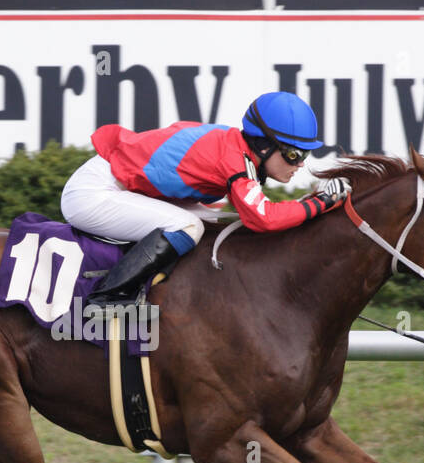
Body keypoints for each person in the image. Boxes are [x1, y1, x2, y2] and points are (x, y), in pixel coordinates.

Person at [61, 91, 352, 307]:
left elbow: (256, 217)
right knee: (189, 227)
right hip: (94, 192)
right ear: (263, 146)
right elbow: (265, 218)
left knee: (217, 221)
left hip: (116, 183)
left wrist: (312, 204)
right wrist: (321, 202)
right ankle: (107, 298)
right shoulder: (232, 159)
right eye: (293, 154)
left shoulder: (236, 148)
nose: (299, 164)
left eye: (304, 154)